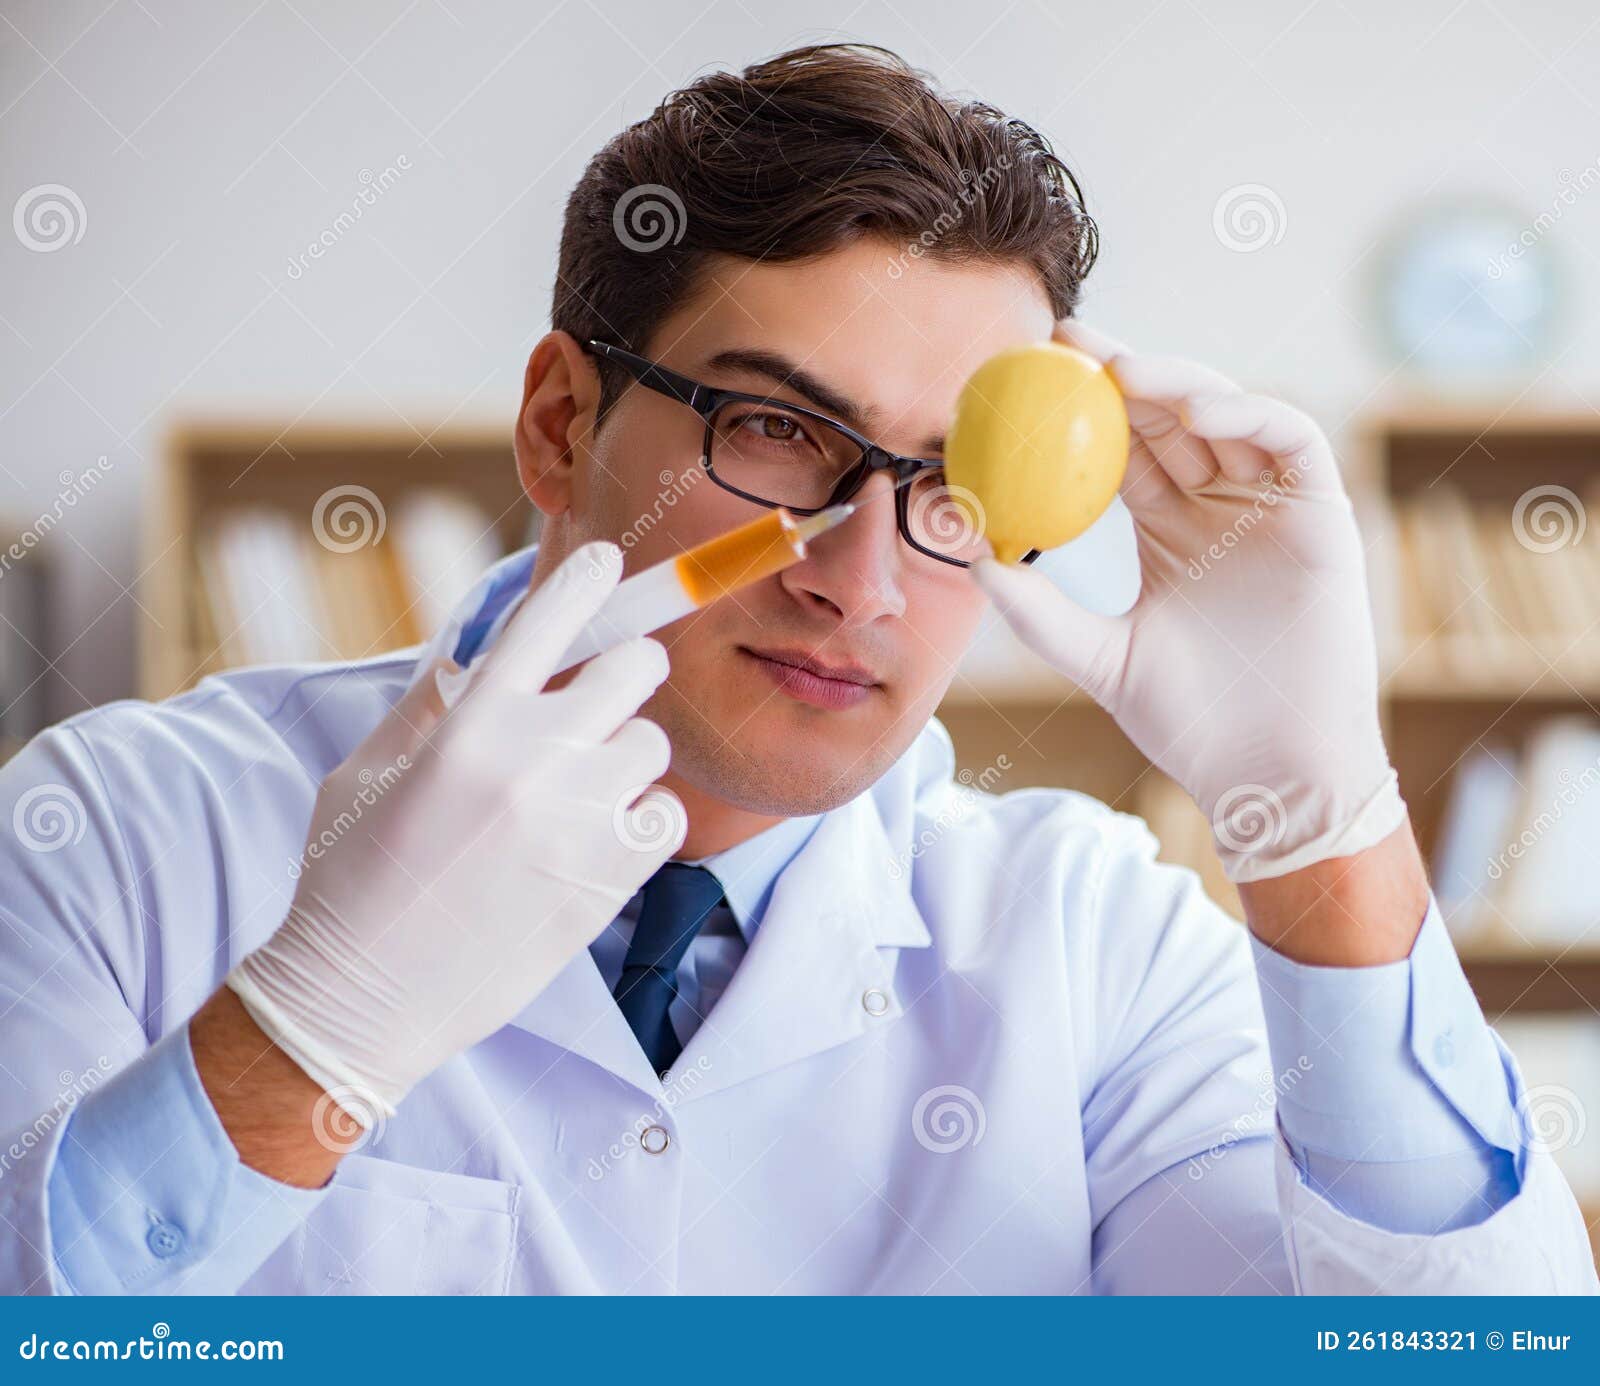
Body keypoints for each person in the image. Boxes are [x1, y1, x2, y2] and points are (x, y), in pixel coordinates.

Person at [1, 43, 1593, 1296]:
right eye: (776, 431)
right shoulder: (115, 839)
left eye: (951, 476)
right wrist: (305, 1040)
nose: (863, 573)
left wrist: (1321, 836)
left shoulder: (1101, 950)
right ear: (561, 423)